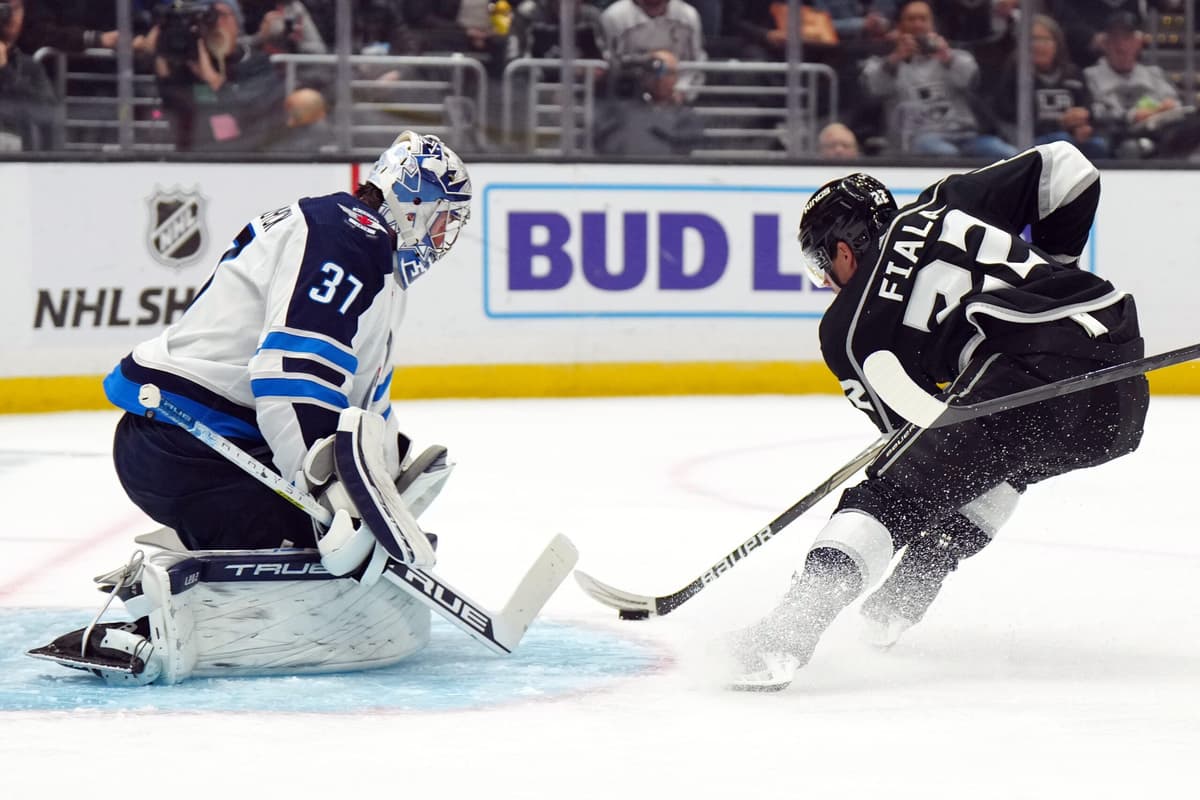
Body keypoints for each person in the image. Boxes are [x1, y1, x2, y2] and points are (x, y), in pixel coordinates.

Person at [29, 131, 473, 686]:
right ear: (412, 200)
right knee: (316, 543)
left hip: (209, 442)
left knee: (338, 538)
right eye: (442, 219)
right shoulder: (349, 235)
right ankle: (148, 623)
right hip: (189, 442)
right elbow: (292, 377)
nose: (442, 236)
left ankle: (195, 578)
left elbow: (361, 405)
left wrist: (386, 473)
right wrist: (334, 496)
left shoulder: (370, 257)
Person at [728, 140, 1149, 690]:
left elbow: (917, 435)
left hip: (1030, 367)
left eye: (822, 265)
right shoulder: (946, 201)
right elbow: (1071, 170)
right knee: (997, 463)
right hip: (1120, 384)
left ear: (843, 251)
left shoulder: (848, 328)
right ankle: (903, 598)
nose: (827, 280)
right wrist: (1054, 277)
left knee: (894, 496)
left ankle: (783, 637)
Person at [859, 0, 1018, 158]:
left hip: (965, 136)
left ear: (933, 25)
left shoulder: (956, 57)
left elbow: (969, 81)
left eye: (923, 19)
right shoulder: (883, 63)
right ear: (900, 25)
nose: (917, 24)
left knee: (1009, 154)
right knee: (946, 154)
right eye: (911, 19)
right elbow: (874, 88)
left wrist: (947, 57)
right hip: (918, 139)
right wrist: (895, 60)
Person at [153, 0, 286, 152]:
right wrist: (161, 51)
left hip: (243, 153)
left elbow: (253, 110)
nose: (217, 23)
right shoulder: (191, 61)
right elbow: (170, 102)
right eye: (209, 17)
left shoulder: (256, 62)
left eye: (221, 15)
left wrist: (213, 81)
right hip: (195, 152)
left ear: (237, 23)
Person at [1084, 11, 1200, 160]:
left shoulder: (1154, 74)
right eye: (1115, 39)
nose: (1121, 46)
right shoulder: (1090, 76)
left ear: (1138, 43)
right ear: (1105, 44)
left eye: (1127, 38)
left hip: (1160, 133)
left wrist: (1167, 107)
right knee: (1130, 147)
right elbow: (1094, 113)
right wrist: (1130, 116)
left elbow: (1174, 105)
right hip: (1116, 137)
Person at [994, 13, 1109, 160]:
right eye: (1033, 39)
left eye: (1045, 40)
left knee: (1098, 145)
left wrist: (1083, 124)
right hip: (1031, 142)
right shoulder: (1014, 75)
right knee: (1061, 141)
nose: (1039, 45)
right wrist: (1059, 123)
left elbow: (1087, 108)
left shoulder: (1073, 74)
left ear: (1057, 43)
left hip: (1072, 138)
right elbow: (1007, 118)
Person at [595, 48, 705, 155]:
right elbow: (605, 145)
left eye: (667, 72)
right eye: (653, 72)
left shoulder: (686, 117)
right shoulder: (621, 113)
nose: (659, 79)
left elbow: (685, 150)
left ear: (676, 77)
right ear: (643, 75)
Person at [0, 0, 59, 151]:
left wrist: (6, 71)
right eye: (3, 7)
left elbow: (47, 113)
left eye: (15, 9)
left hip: (18, 157)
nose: (9, 16)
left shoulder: (30, 68)